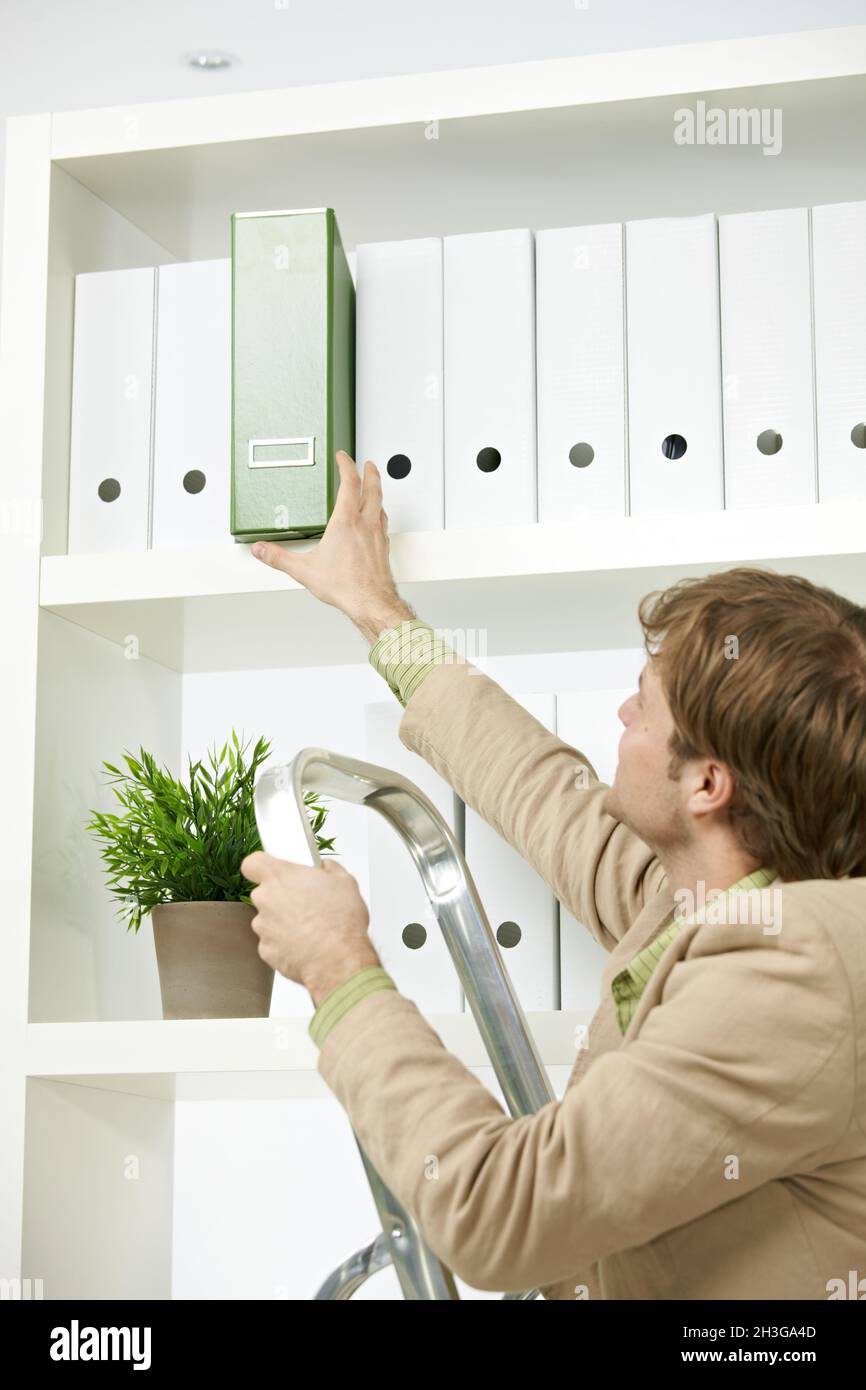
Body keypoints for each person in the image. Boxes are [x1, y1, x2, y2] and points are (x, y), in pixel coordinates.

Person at [241, 451, 866, 1300]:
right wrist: (373, 608)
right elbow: (541, 790)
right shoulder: (702, 896)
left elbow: (501, 1215)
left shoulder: (797, 975)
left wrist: (338, 968)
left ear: (707, 785)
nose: (622, 712)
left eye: (643, 702)